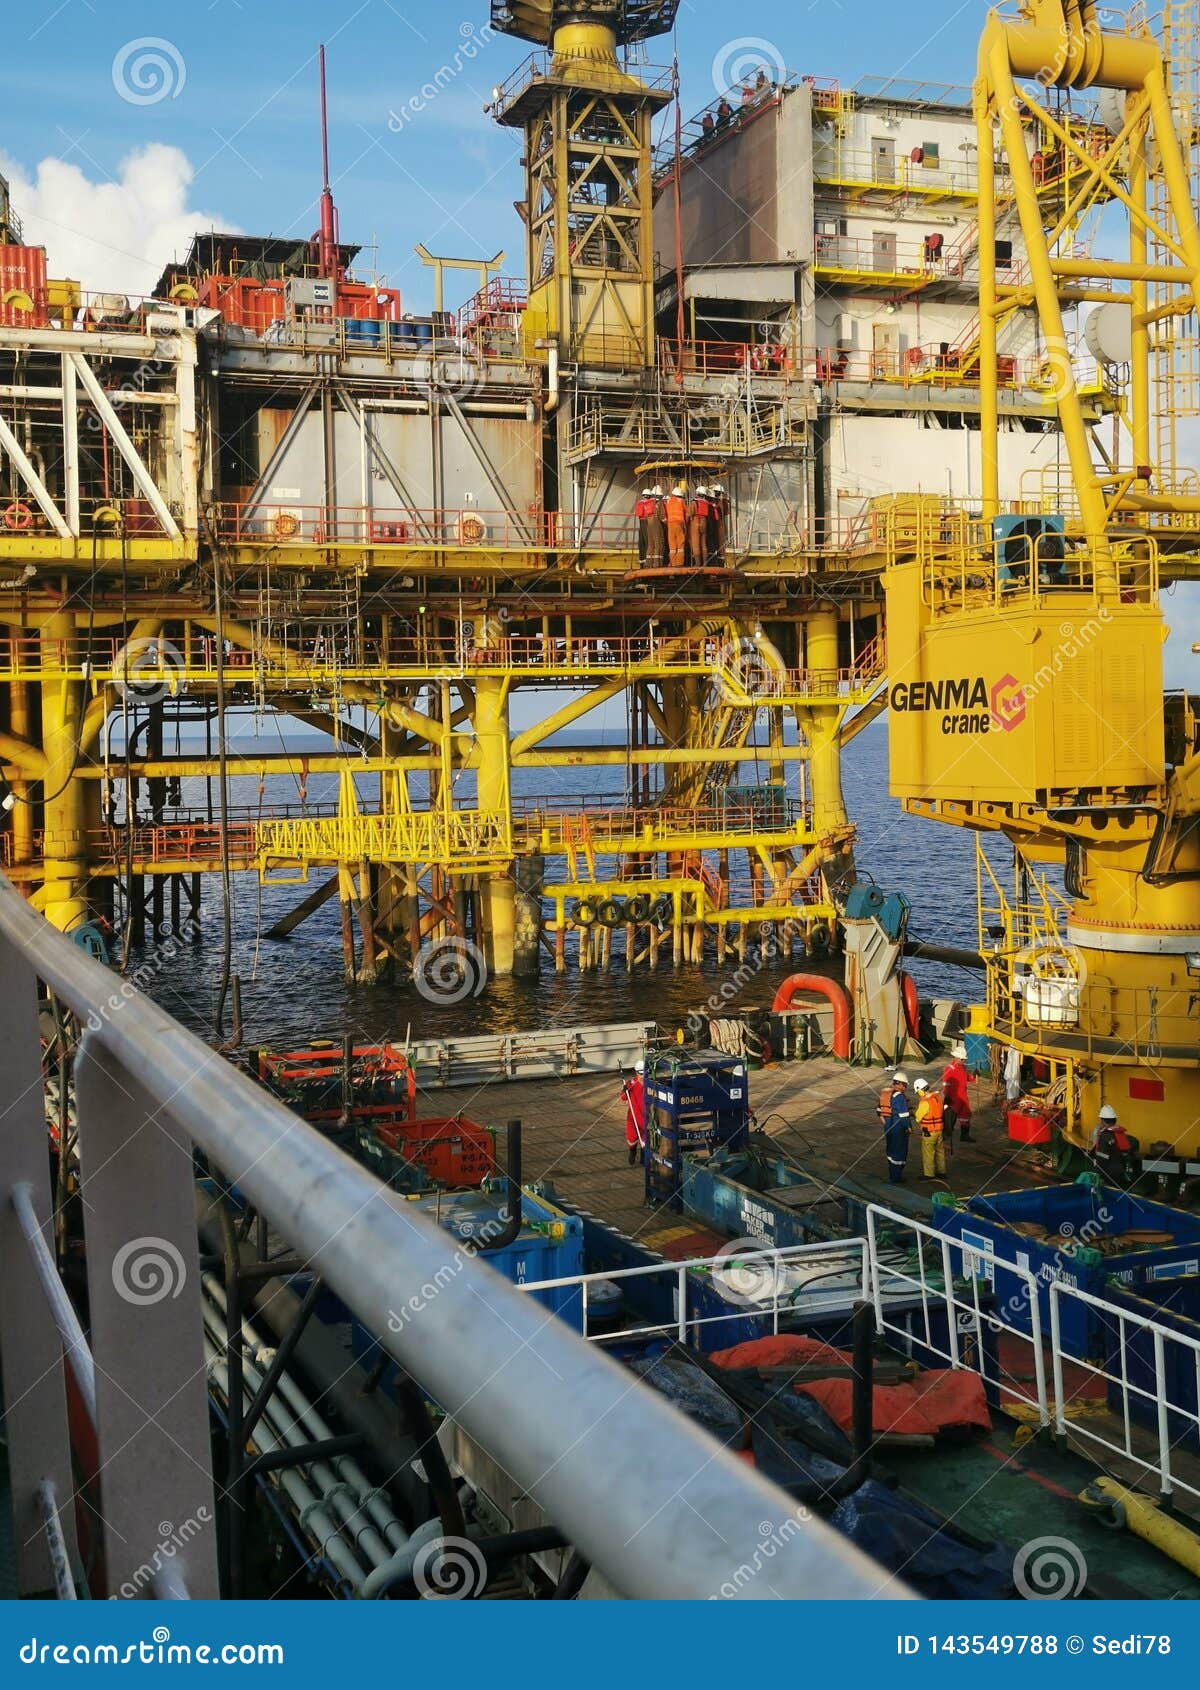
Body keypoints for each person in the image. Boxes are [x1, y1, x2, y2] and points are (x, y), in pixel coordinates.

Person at [1092, 1103, 1137, 1188]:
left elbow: (1102, 1159)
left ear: (1102, 1121)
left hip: (1109, 1174)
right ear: (1115, 1119)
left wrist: (1097, 1173)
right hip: (1122, 1171)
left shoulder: (1105, 1136)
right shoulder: (1120, 1133)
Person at [914, 1078, 947, 1179]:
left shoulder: (925, 1102)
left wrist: (913, 1113)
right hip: (939, 1130)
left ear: (920, 1090)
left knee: (928, 1153)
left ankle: (929, 1174)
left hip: (929, 1132)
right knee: (940, 1152)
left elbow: (918, 1118)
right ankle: (942, 1172)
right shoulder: (937, 1098)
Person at [942, 1042, 973, 1143]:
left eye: (964, 1059)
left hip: (963, 1097)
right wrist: (947, 1096)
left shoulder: (962, 1067)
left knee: (966, 1116)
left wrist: (973, 1077)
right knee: (949, 1120)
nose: (964, 1061)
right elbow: (946, 1084)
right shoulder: (949, 1069)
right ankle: (945, 1137)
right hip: (953, 1099)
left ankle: (965, 1136)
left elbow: (966, 1077)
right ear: (956, 1058)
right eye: (962, 1059)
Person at [884, 1073, 912, 1184]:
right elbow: (904, 1115)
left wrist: (886, 1123)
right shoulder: (900, 1097)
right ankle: (896, 1178)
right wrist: (908, 1126)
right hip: (898, 1129)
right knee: (899, 1153)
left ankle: (892, 1175)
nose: (905, 1087)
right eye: (904, 1085)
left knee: (891, 1152)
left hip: (888, 1127)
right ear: (899, 1084)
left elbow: (879, 1111)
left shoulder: (887, 1094)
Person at [623, 1059, 648, 1166]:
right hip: (633, 1116)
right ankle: (632, 1151)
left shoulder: (651, 1084)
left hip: (646, 1116)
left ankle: (644, 1156)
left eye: (644, 1073)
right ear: (636, 1073)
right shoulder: (631, 1084)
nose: (642, 1076)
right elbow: (623, 1097)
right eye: (640, 1074)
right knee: (632, 1138)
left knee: (646, 1139)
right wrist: (625, 1090)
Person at [665, 482, 688, 569]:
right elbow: (688, 511)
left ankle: (673, 563)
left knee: (672, 545)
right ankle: (679, 564)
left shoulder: (668, 501)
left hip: (670, 524)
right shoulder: (681, 501)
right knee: (680, 544)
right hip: (679, 524)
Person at [689, 485, 710, 568]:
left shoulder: (694, 502)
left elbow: (690, 513)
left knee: (695, 543)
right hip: (704, 522)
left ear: (697, 493)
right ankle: (705, 563)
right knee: (703, 543)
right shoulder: (706, 503)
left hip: (696, 522)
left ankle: (697, 563)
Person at [645, 484, 666, 566]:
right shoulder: (660, 503)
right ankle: (657, 563)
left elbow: (646, 515)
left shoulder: (648, 502)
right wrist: (666, 523)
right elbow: (662, 516)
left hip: (649, 522)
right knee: (658, 543)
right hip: (656, 522)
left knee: (650, 543)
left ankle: (648, 563)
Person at [635, 486, 656, 564]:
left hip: (641, 522)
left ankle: (642, 558)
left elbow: (638, 513)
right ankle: (647, 558)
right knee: (648, 540)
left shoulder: (640, 503)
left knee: (642, 541)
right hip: (648, 522)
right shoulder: (652, 502)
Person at [709, 482, 728, 563]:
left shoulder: (721, 501)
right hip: (716, 523)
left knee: (719, 541)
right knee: (717, 542)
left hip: (718, 523)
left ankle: (720, 560)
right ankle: (719, 559)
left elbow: (723, 511)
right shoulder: (721, 501)